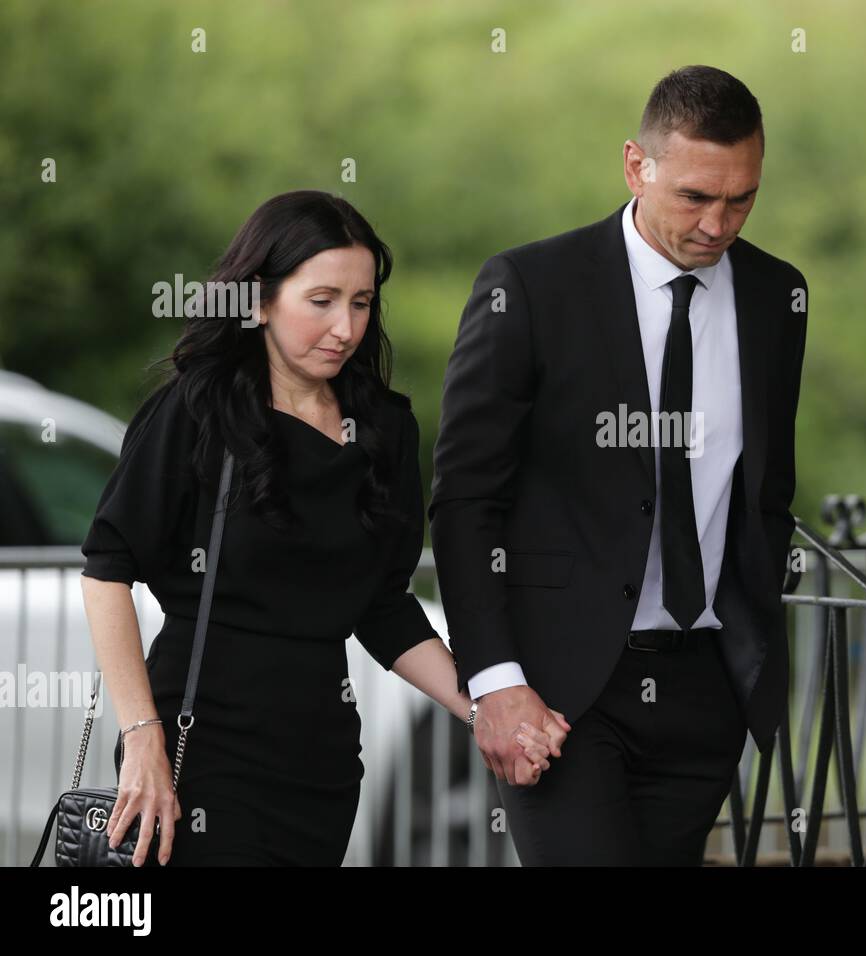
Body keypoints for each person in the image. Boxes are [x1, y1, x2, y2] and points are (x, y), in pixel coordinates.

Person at [81, 191, 567, 866]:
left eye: (362, 303)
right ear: (257, 301)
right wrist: (142, 738)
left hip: (321, 762)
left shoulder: (384, 428)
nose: (345, 326)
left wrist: (490, 708)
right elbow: (107, 569)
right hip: (200, 752)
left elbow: (385, 609)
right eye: (322, 300)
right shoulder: (197, 411)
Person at [430, 66, 809, 865]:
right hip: (562, 692)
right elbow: (466, 500)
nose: (719, 223)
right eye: (696, 197)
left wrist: (749, 662)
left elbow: (767, 491)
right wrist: (495, 683)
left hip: (706, 690)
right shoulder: (531, 288)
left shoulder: (778, 298)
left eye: (742, 198)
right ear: (637, 166)